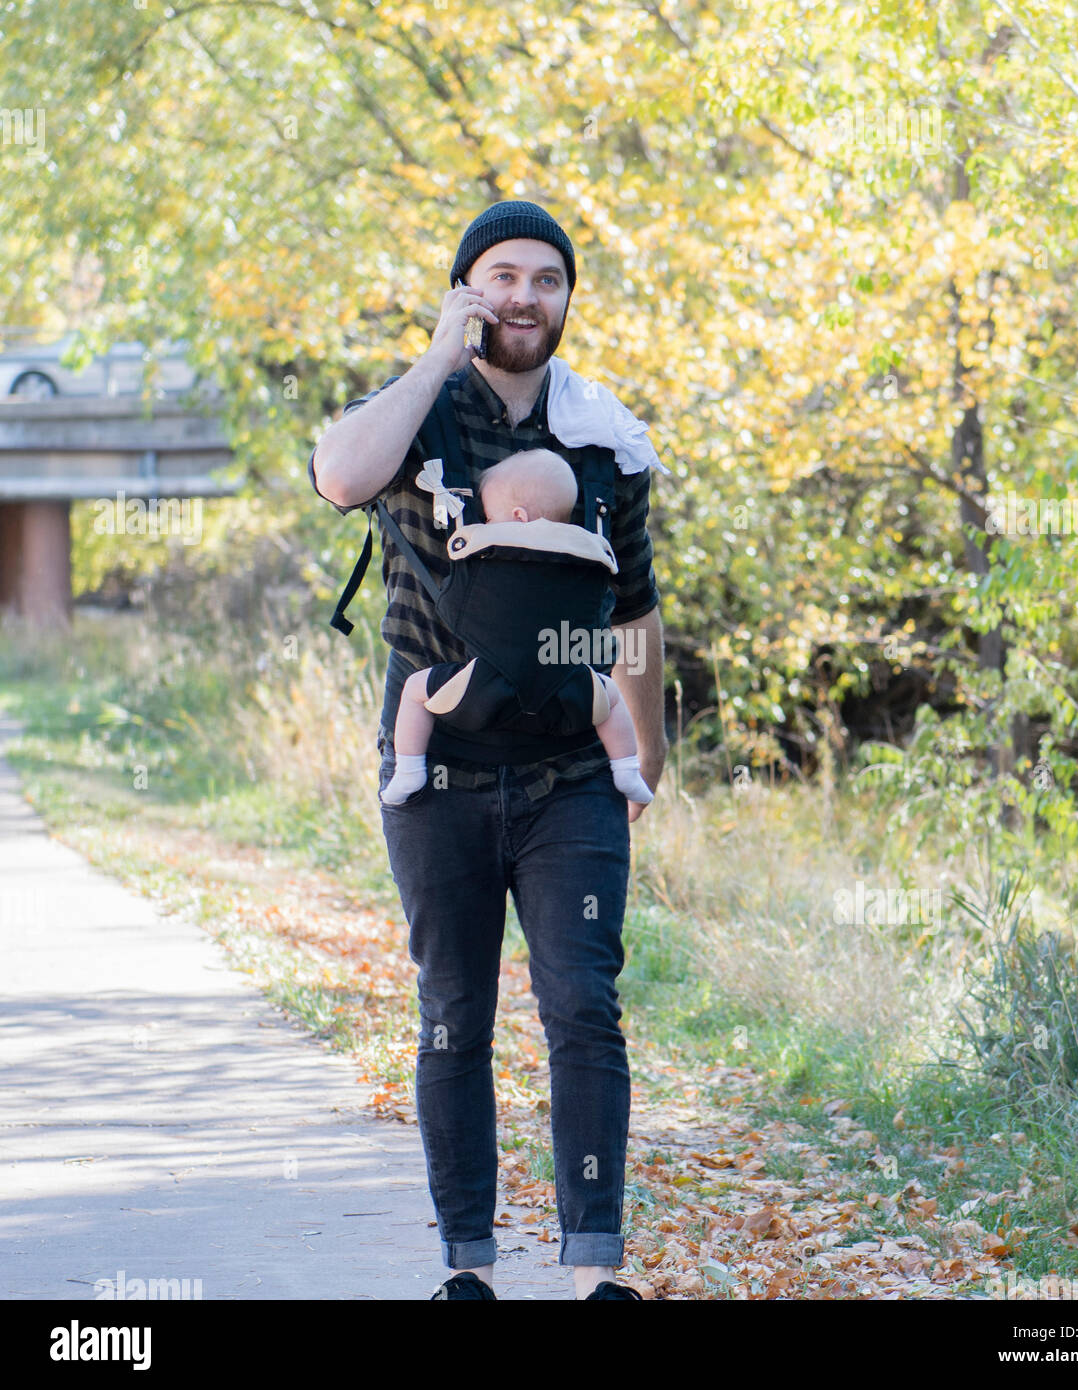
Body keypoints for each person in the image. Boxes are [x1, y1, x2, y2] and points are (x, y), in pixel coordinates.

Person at [309, 200, 668, 1301]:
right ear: (470, 286)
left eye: (545, 279)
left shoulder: (606, 435)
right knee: (454, 1012)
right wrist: (432, 353)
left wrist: (641, 760)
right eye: (502, 275)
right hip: (440, 782)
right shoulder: (413, 414)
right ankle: (467, 1264)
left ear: (567, 298)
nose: (524, 296)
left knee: (583, 1009)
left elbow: (637, 616)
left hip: (572, 778)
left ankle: (593, 1270)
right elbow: (337, 475)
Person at [380, 447, 654, 809]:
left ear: (518, 517)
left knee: (415, 689)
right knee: (612, 696)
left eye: (491, 517)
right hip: (567, 687)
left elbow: (450, 608)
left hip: (486, 685)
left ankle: (409, 772)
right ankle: (627, 771)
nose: (489, 524)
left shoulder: (484, 550)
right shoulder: (588, 557)